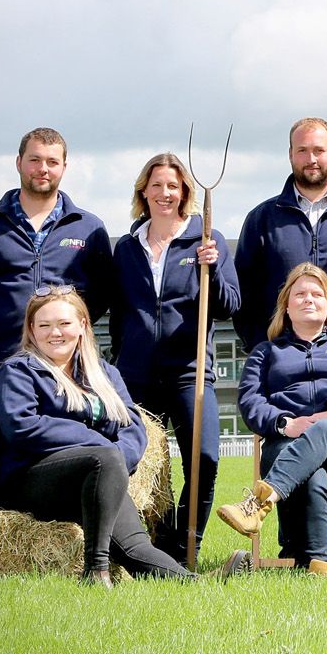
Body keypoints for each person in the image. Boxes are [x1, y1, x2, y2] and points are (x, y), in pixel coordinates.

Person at [235, 116, 327, 559]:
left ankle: (266, 509)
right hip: (286, 375)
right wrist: (269, 348)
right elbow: (243, 291)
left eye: (319, 150)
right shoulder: (263, 219)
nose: (311, 158)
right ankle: (312, 557)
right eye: (302, 150)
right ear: (290, 155)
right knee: (310, 461)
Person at [0, 286, 189, 584]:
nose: (55, 332)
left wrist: (117, 463)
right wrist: (103, 448)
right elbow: (22, 426)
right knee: (103, 459)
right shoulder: (18, 372)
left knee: (135, 548)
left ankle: (200, 583)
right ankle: (96, 569)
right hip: (30, 479)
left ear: (82, 325)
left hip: (98, 474)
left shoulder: (103, 373)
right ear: (32, 329)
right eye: (44, 325)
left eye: (64, 323)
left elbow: (132, 426)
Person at [216, 264, 327, 574]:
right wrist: (286, 424)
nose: (308, 299)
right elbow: (250, 402)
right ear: (286, 305)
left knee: (324, 430)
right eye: (300, 294)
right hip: (287, 443)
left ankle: (257, 504)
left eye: (317, 294)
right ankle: (318, 564)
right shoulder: (265, 352)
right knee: (311, 471)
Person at [109, 152, 238, 561]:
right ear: (143, 191)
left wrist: (210, 269)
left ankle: (186, 547)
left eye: (173, 186)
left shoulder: (208, 241)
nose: (165, 193)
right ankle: (154, 544)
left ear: (184, 192)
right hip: (136, 375)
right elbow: (118, 311)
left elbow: (230, 305)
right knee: (140, 461)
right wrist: (122, 355)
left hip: (189, 371)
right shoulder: (127, 248)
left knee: (205, 458)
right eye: (157, 185)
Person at [0, 128, 115, 360]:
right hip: (0, 359)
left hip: (66, 361)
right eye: (35, 160)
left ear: (64, 167)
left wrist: (68, 326)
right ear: (19, 162)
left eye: (52, 162)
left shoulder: (89, 228)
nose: (43, 169)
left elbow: (103, 293)